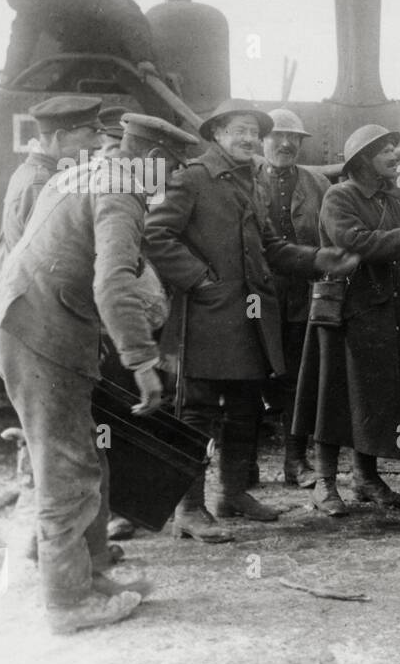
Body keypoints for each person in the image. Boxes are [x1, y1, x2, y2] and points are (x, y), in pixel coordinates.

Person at [0, 115, 195, 632]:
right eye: (172, 168)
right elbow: (111, 283)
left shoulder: (79, 173)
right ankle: (68, 601)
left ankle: (92, 575)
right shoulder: (121, 192)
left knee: (88, 459)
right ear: (154, 159)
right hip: (41, 337)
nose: (173, 179)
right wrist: (141, 359)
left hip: (34, 326)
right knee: (66, 470)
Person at [144, 101, 355, 541]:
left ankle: (233, 494)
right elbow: (154, 234)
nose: (249, 139)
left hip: (250, 319)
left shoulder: (249, 184)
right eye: (240, 130)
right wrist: (199, 279)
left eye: (254, 134)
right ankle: (189, 508)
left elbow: (273, 247)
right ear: (217, 132)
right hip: (206, 319)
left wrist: (319, 258)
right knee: (196, 414)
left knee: (244, 409)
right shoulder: (192, 178)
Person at [293, 125, 400, 515]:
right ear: (363, 160)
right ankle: (324, 484)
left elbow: (399, 249)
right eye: (386, 151)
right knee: (334, 396)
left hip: (386, 314)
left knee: (372, 400)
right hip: (349, 312)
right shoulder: (338, 197)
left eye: (394, 150)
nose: (395, 157)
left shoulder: (390, 200)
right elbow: (354, 242)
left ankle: (365, 478)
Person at [253, 108, 330, 489]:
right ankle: (243, 466)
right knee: (250, 375)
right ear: (262, 140)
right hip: (255, 296)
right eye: (277, 136)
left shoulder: (317, 185)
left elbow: (329, 238)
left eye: (294, 138)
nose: (285, 144)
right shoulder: (246, 181)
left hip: (302, 293)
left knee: (298, 378)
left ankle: (295, 460)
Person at [0, 95, 106, 289]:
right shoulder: (43, 184)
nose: (98, 144)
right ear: (61, 137)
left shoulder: (34, 172)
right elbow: (54, 263)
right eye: (91, 134)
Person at [1, 0, 158, 85]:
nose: (28, 1)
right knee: (64, 92)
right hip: (80, 50)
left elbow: (125, 17)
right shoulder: (27, 9)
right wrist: (10, 75)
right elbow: (20, 43)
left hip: (121, 46)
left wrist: (143, 58)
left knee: (144, 90)